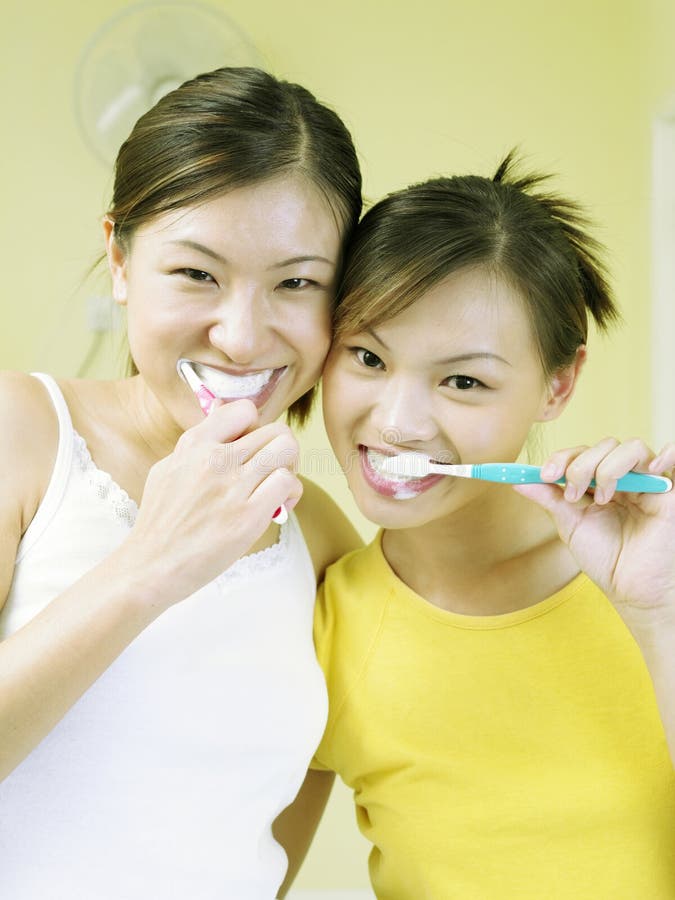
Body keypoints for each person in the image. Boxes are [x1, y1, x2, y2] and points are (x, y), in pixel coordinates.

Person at [0, 66, 362, 899]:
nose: (240, 336)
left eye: (296, 283)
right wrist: (153, 562)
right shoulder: (24, 433)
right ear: (120, 259)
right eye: (197, 274)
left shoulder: (322, 540)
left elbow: (289, 806)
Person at [311, 154, 675, 897]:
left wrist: (657, 615)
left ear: (557, 384)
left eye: (463, 380)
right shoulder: (319, 627)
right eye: (367, 356)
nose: (398, 422)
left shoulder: (654, 575)